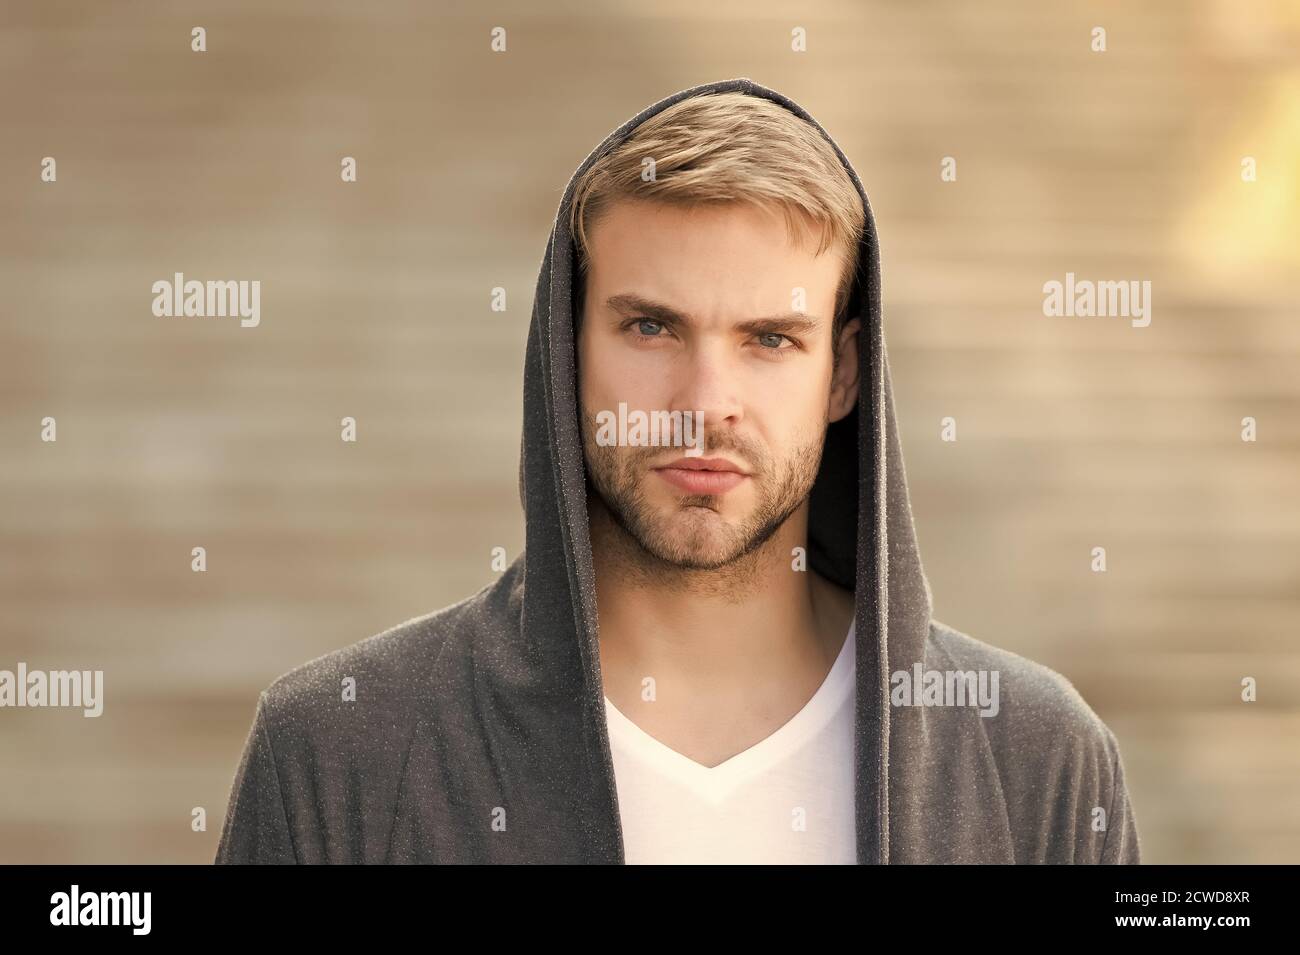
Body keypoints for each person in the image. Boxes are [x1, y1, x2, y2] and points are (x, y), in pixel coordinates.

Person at [215, 77, 1140, 864]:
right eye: (651, 326)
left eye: (770, 339)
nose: (706, 401)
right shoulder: (338, 754)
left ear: (844, 373)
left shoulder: (1038, 762)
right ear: (567, 349)